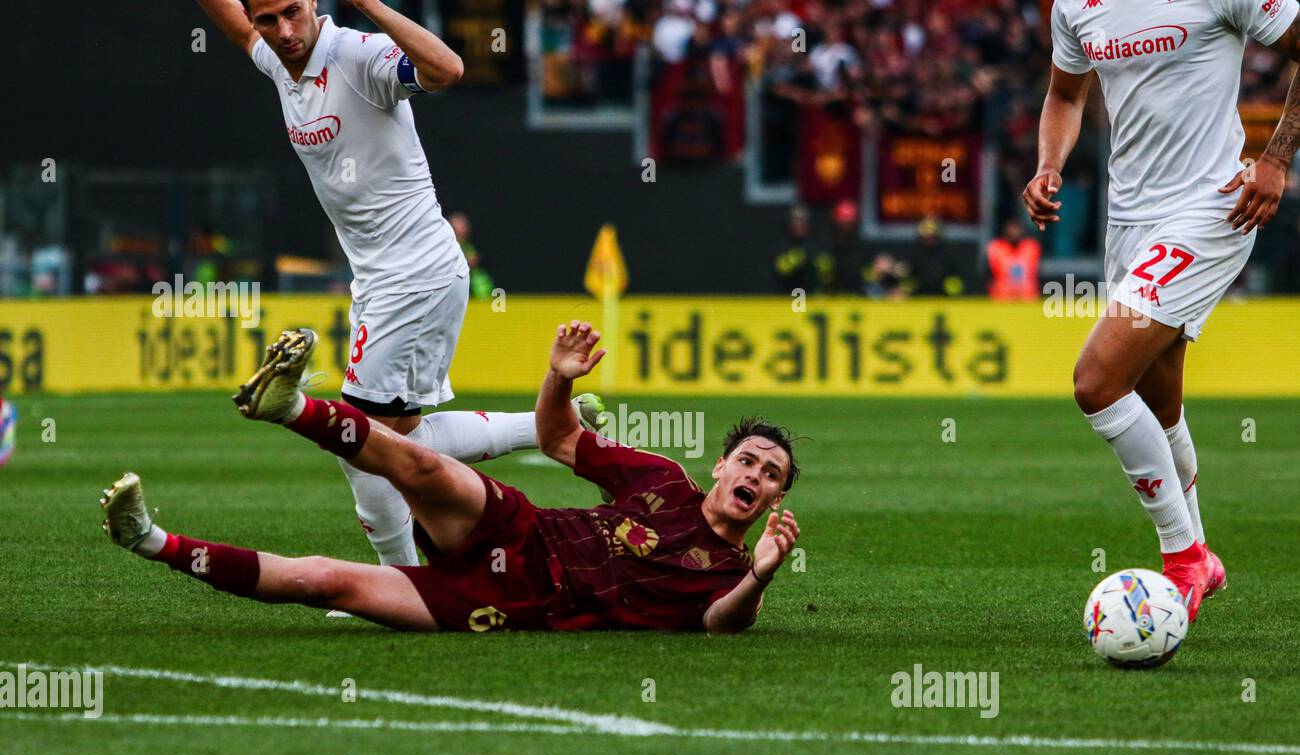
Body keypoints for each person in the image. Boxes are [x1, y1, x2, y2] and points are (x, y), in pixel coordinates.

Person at [195, 0, 605, 577]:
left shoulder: (357, 54)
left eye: (292, 13)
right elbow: (237, 28)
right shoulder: (278, 58)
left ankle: (401, 581)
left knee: (357, 439)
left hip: (415, 274)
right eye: (269, 21)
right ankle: (552, 424)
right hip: (384, 279)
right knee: (401, 437)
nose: (283, 32)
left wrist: (368, 5)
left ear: (314, 3)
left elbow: (448, 71)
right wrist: (253, 24)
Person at [100, 323, 803, 633]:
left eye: (770, 476)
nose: (755, 475)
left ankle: (148, 539)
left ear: (774, 498)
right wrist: (555, 379)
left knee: (323, 583)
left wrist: (764, 574)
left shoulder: (735, 571)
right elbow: (560, 436)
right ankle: (293, 408)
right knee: (425, 464)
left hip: (513, 605)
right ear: (722, 464)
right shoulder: (664, 479)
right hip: (524, 531)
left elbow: (719, 623)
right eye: (748, 460)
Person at [1024, 0, 1300, 620]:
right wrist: (1048, 165)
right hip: (1127, 224)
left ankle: (1183, 556)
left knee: (1096, 381)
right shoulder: (1075, 5)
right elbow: (1065, 97)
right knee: (1157, 400)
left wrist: (1277, 158)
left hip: (1211, 209)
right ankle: (1206, 566)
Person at [985, 218, 1040, 300]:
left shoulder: (1031, 247)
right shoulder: (996, 247)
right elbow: (988, 273)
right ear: (1005, 231)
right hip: (1001, 297)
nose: (1014, 233)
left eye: (1017, 229)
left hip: (1028, 296)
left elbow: (1035, 271)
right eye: (1012, 229)